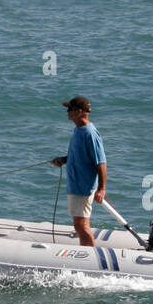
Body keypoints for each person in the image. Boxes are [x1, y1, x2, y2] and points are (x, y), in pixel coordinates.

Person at [50, 97, 107, 247]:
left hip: (83, 187)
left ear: (79, 112)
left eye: (70, 109)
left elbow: (101, 162)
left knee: (81, 225)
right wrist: (63, 160)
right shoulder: (78, 130)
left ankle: (89, 257)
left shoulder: (90, 133)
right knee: (79, 224)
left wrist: (101, 189)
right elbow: (80, 155)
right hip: (75, 185)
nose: (67, 112)